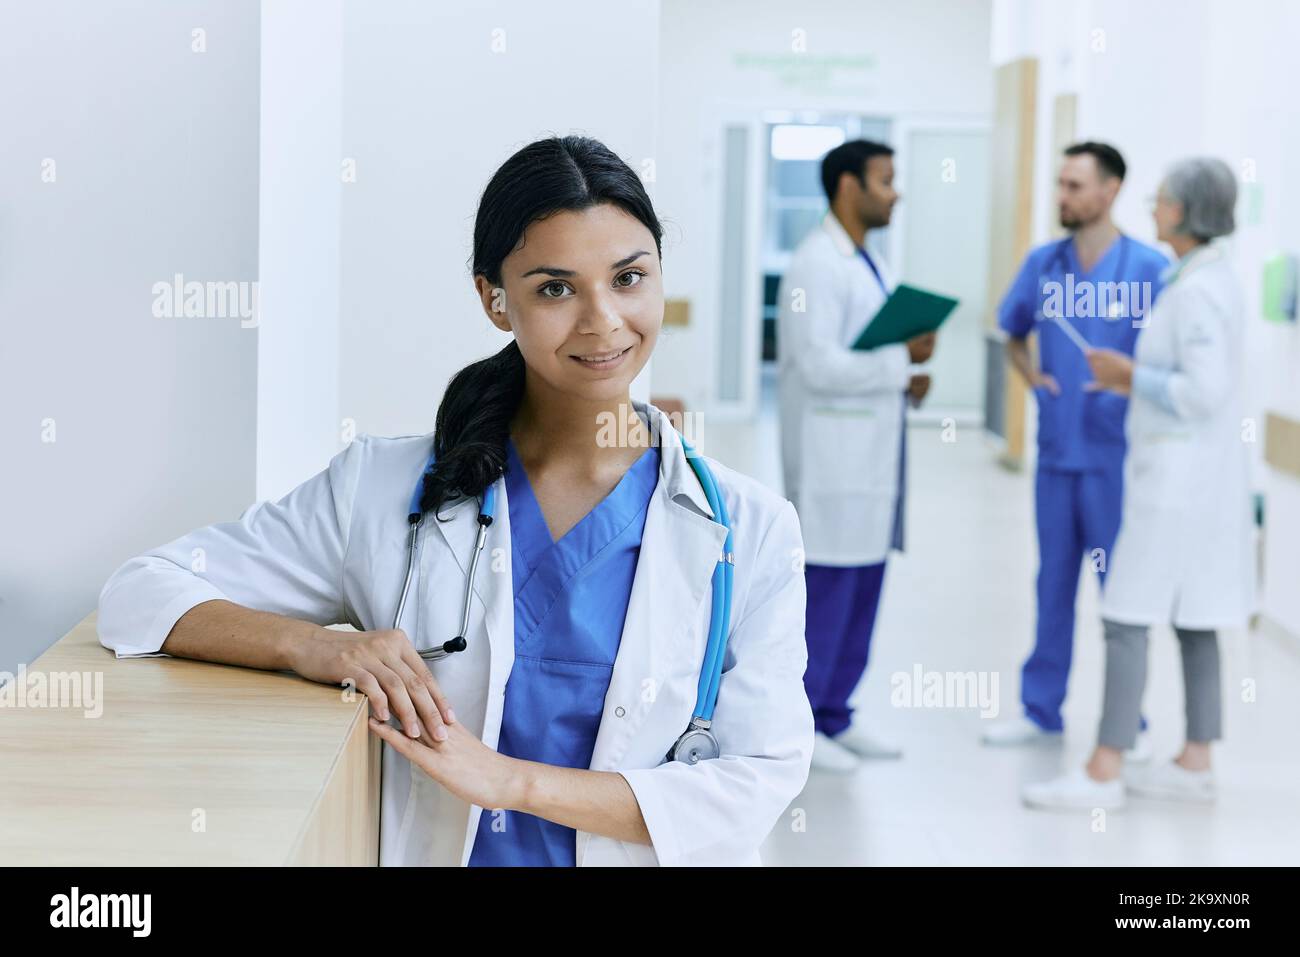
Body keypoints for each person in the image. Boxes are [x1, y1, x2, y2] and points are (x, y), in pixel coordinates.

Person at [96, 135, 815, 866]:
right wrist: (314, 643)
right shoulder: (379, 489)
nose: (602, 320)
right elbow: (139, 593)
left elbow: (756, 779)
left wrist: (509, 782)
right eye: (556, 288)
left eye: (629, 278)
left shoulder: (746, 528)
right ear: (494, 300)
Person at [1023, 157, 1252, 810]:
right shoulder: (1202, 279)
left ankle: (1103, 771)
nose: (1151, 208)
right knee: (1194, 616)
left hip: (1175, 485)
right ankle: (1195, 758)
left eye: (1159, 200)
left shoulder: (1199, 291)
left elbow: (1203, 392)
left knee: (1125, 616)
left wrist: (1131, 378)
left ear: (1179, 212)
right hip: (1193, 481)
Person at [983, 142, 1169, 751]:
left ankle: (1127, 725)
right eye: (1059, 185)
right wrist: (1033, 376)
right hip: (1058, 457)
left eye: (1074, 186)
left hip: (1119, 462)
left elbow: (1169, 366)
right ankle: (1041, 710)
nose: (1062, 197)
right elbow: (1011, 332)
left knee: (1122, 593)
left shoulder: (1150, 269)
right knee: (1053, 583)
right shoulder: (1044, 264)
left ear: (1111, 190)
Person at [777, 139, 936, 771]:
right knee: (832, 588)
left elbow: (869, 354)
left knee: (866, 579)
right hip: (832, 460)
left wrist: (905, 373)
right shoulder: (816, 264)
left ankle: (838, 714)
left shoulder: (867, 261)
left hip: (869, 455)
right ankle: (805, 722)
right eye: (886, 180)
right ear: (849, 186)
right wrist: (900, 366)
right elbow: (817, 365)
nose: (895, 193)